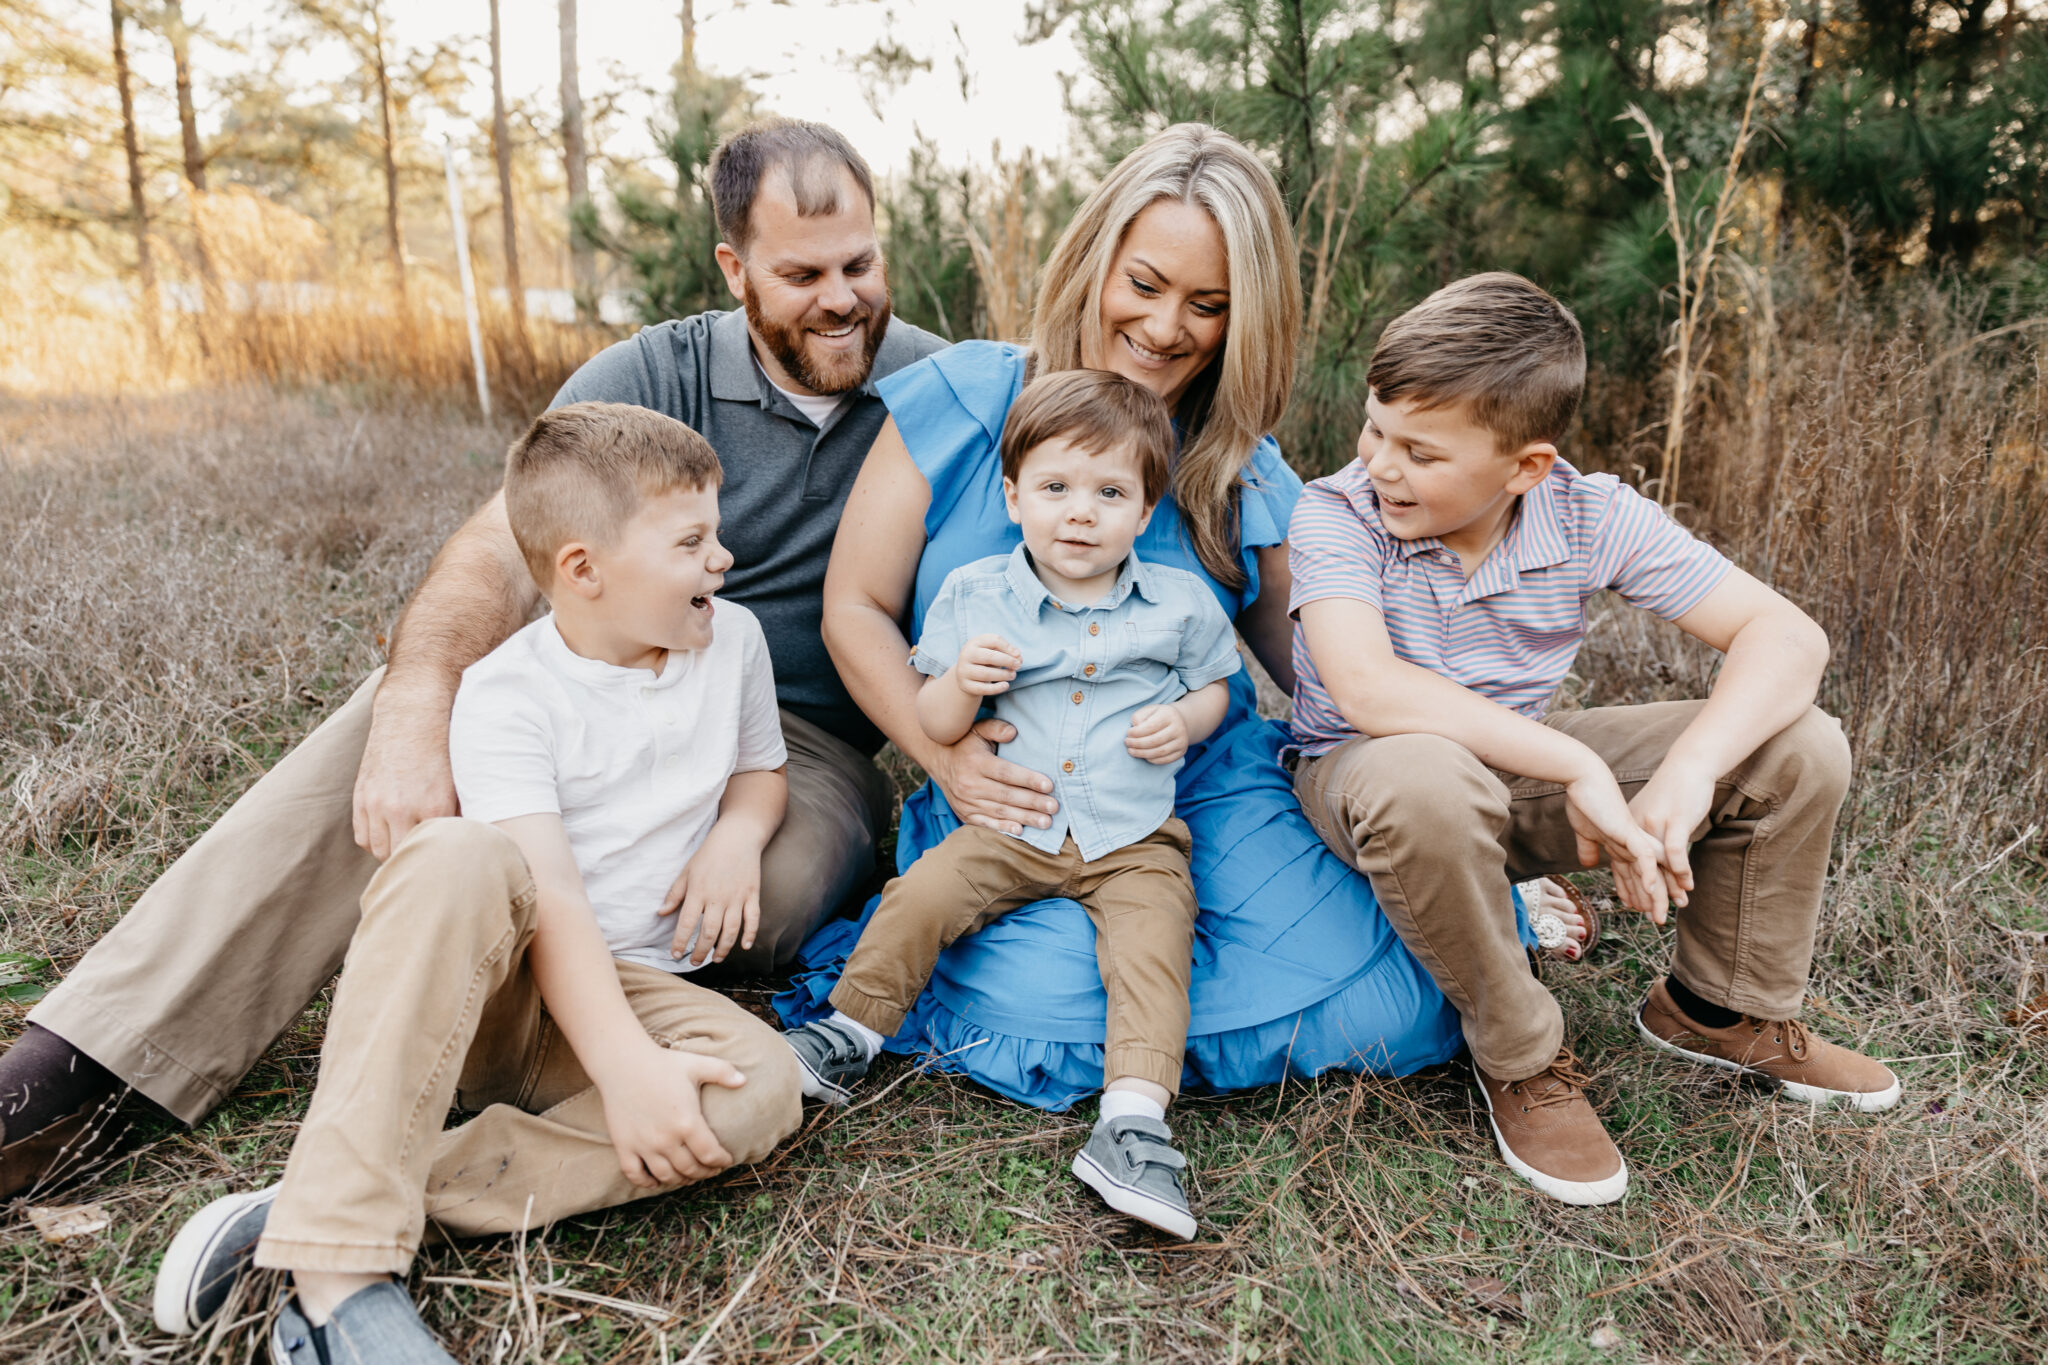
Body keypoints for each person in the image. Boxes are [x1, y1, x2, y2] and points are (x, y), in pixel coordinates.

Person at [0, 117, 944, 1197]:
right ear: (733, 268)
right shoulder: (650, 373)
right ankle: (99, 1059)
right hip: (604, 679)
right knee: (398, 719)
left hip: (799, 740)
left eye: (860, 265)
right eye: (802, 273)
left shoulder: (936, 384)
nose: (840, 298)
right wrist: (414, 702)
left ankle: (516, 1025)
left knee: (754, 894)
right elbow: (499, 551)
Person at [777, 122, 1475, 1125]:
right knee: (1038, 1005)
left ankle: (1164, 1047)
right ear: (1094, 261)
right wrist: (946, 761)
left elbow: (1318, 666)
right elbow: (853, 608)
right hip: (1007, 792)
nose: (1163, 329)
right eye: (1143, 285)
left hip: (1197, 792)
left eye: (1207, 305)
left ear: (1244, 320)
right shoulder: (969, 398)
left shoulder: (1236, 463)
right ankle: (1138, 1048)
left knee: (1392, 997)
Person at [149, 403, 803, 1363]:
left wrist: (739, 837)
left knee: (761, 1088)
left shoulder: (732, 641)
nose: (724, 560)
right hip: (504, 993)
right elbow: (553, 898)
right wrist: (625, 1069)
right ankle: (332, 1292)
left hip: (637, 987)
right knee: (462, 854)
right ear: (583, 569)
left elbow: (761, 770)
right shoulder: (508, 691)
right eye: (692, 540)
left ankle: (319, 1207)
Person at [1285, 272, 1901, 1207]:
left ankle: (1716, 1008)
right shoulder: (1338, 513)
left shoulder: (1586, 512)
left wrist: (1687, 774)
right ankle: (1523, 1055)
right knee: (1426, 776)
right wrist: (1576, 764)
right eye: (1376, 428)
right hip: (1365, 775)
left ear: (1525, 466)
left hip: (1506, 770)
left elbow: (1789, 638)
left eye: (1420, 450)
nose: (1380, 464)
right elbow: (1368, 689)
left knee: (1798, 744)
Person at [786, 370, 1240, 1239]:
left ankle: (1133, 1122)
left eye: (1111, 493)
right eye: (1056, 488)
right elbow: (932, 719)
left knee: (1155, 939)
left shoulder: (1177, 603)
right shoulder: (974, 595)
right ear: (1013, 494)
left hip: (1132, 835)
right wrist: (960, 685)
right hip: (1011, 824)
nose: (1081, 512)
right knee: (919, 895)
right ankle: (849, 1031)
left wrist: (1182, 721)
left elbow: (1217, 687)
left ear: (1145, 511)